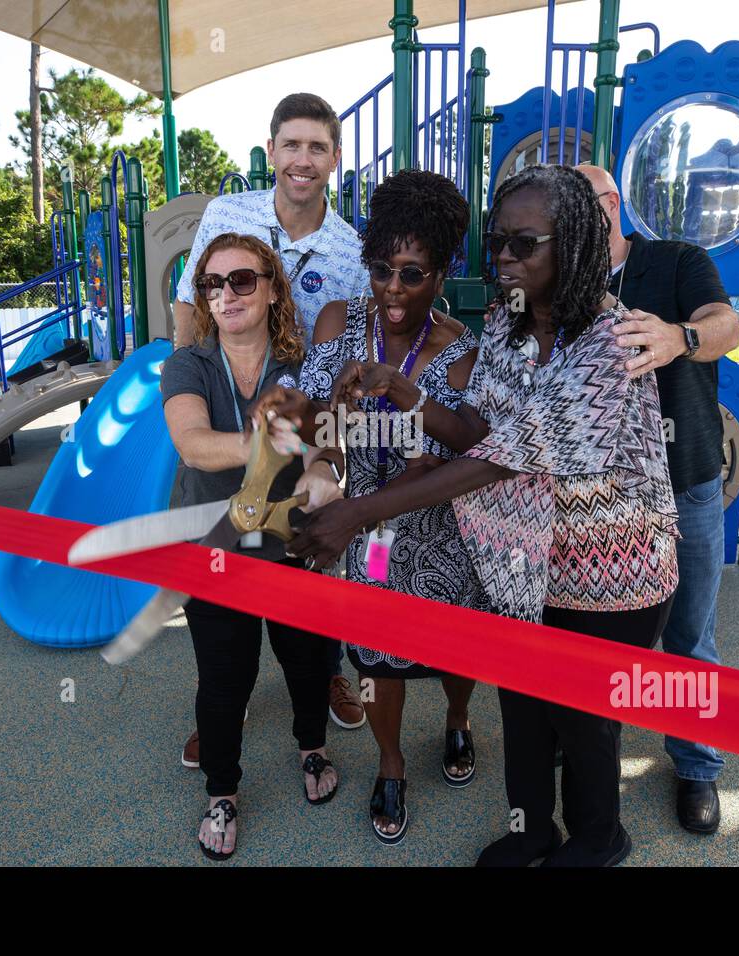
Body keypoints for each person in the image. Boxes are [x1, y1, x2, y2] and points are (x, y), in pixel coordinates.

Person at [289, 164, 680, 866]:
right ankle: (532, 829)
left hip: (610, 572)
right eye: (498, 240)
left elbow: (506, 456)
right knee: (524, 709)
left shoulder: (610, 342)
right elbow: (476, 430)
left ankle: (599, 840)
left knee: (585, 722)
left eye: (523, 242)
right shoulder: (503, 325)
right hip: (524, 561)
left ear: (578, 242)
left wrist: (360, 512)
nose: (503, 256)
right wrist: (402, 390)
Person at [254, 169, 481, 845]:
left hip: (437, 530)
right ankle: (390, 761)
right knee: (376, 658)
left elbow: (466, 442)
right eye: (381, 268)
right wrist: (332, 413)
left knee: (454, 654)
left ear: (442, 274)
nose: (391, 288)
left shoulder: (461, 351)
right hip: (363, 532)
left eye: (413, 273)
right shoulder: (337, 320)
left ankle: (459, 721)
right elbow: (320, 420)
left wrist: (400, 389)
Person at [173, 93, 370, 745]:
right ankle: (220, 697)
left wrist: (326, 442)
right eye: (291, 145)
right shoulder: (229, 214)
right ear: (272, 150)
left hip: (305, 410)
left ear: (335, 159)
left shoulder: (351, 251)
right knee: (220, 545)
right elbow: (187, 301)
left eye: (317, 147)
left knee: (313, 549)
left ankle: (326, 670)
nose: (302, 160)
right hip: (233, 381)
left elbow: (346, 353)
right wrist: (192, 376)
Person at [159, 232, 346, 861]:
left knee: (307, 658)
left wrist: (323, 469)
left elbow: (325, 442)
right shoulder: (189, 363)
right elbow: (193, 444)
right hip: (214, 543)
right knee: (223, 674)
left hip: (293, 540)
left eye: (242, 280)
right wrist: (271, 447)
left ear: (270, 289)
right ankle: (223, 791)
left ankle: (312, 747)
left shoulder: (304, 366)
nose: (226, 294)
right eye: (212, 284)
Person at [576, 162, 739, 835]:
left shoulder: (675, 261)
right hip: (597, 499)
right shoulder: (562, 282)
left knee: (689, 635)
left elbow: (726, 325)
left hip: (686, 483)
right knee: (596, 633)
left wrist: (681, 337)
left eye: (579, 201)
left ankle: (697, 766)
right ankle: (586, 745)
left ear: (612, 203)